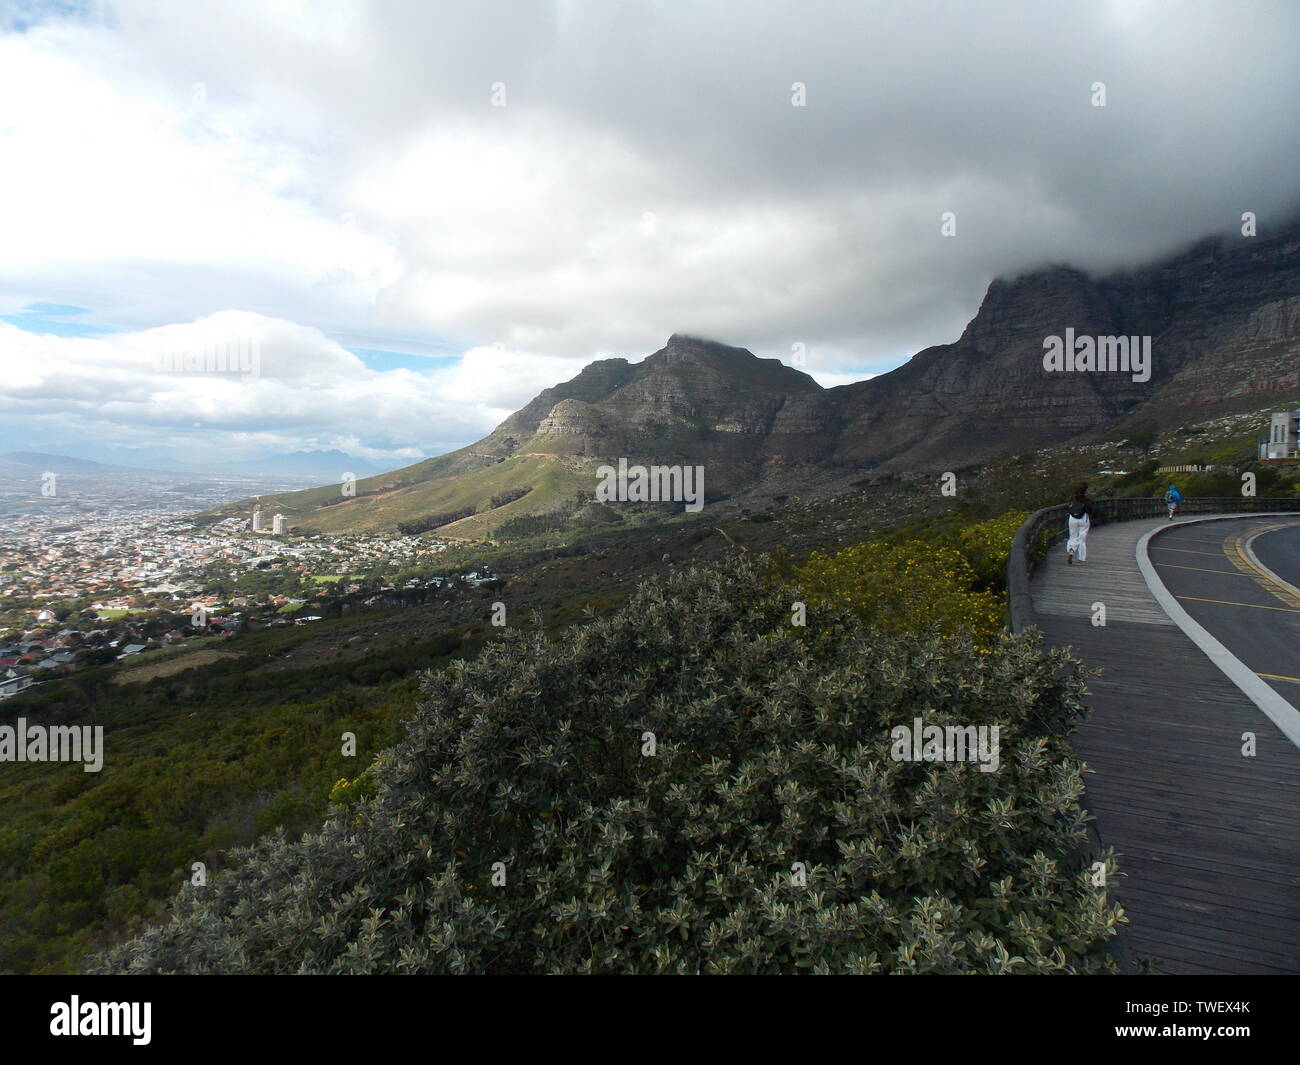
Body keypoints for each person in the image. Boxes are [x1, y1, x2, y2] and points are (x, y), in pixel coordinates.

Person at [1066, 481, 1091, 564]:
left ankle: (1071, 551)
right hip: (1083, 518)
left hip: (1072, 518)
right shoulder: (1086, 499)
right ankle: (1081, 558)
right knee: (1082, 538)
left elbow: (1068, 506)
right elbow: (1090, 509)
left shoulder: (1072, 498)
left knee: (1072, 536)